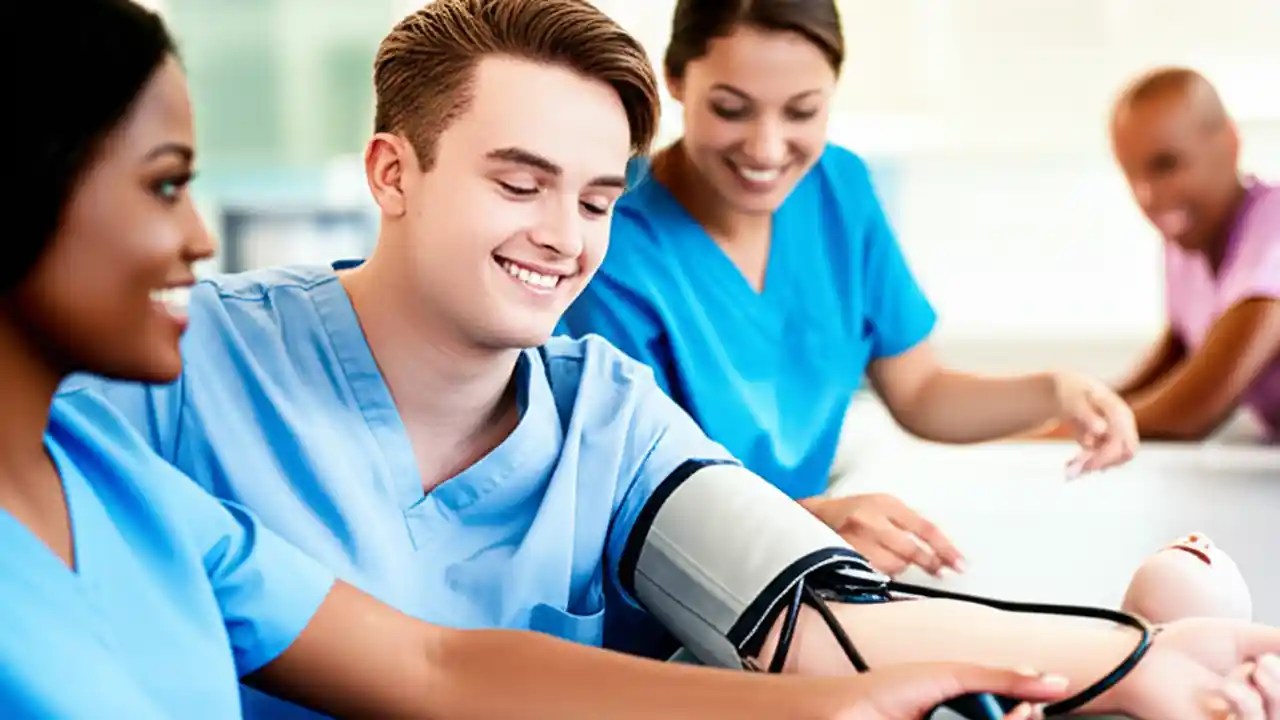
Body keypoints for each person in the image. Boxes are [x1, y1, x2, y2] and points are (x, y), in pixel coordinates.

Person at [70, 1, 1280, 719]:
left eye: (598, 196)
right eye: (517, 182)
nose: (564, 237)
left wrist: (1132, 660)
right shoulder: (181, 363)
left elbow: (816, 618)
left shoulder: (608, 417)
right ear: (393, 174)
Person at [558, 0, 1138, 578]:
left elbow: (919, 391)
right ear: (677, 81)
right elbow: (633, 502)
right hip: (673, 586)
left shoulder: (840, 188)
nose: (765, 147)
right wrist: (815, 520)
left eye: (802, 112)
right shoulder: (611, 235)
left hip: (797, 565)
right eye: (731, 109)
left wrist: (1057, 392)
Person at [1107, 67, 1280, 442]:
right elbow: (1170, 372)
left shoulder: (1274, 231)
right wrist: (1061, 413)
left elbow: (1194, 408)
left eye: (1166, 165)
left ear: (1230, 143)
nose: (1147, 197)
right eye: (1131, 175)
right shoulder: (1186, 247)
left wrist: (1059, 433)